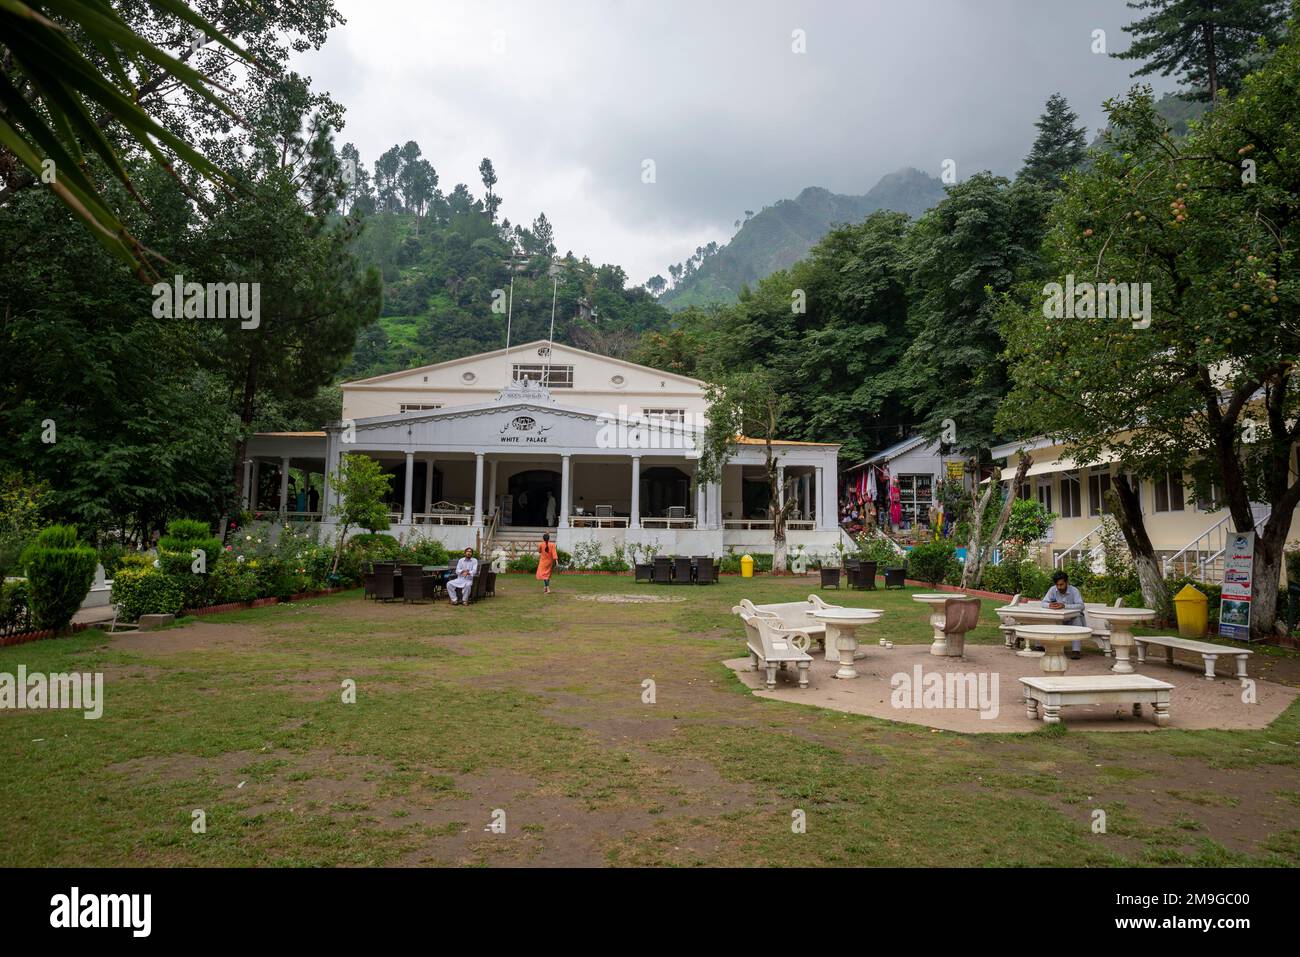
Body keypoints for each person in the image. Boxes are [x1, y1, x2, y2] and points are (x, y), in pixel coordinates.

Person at [1041, 570, 1086, 658]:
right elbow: (1043, 603)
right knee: (1045, 620)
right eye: (1057, 585)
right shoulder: (1052, 589)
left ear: (1067, 582)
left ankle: (1076, 651)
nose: (1059, 587)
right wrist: (1050, 605)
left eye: (1061, 584)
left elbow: (1081, 606)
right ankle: (1042, 646)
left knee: (1077, 619)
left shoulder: (1074, 590)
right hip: (1058, 619)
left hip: (1072, 620)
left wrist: (1064, 606)